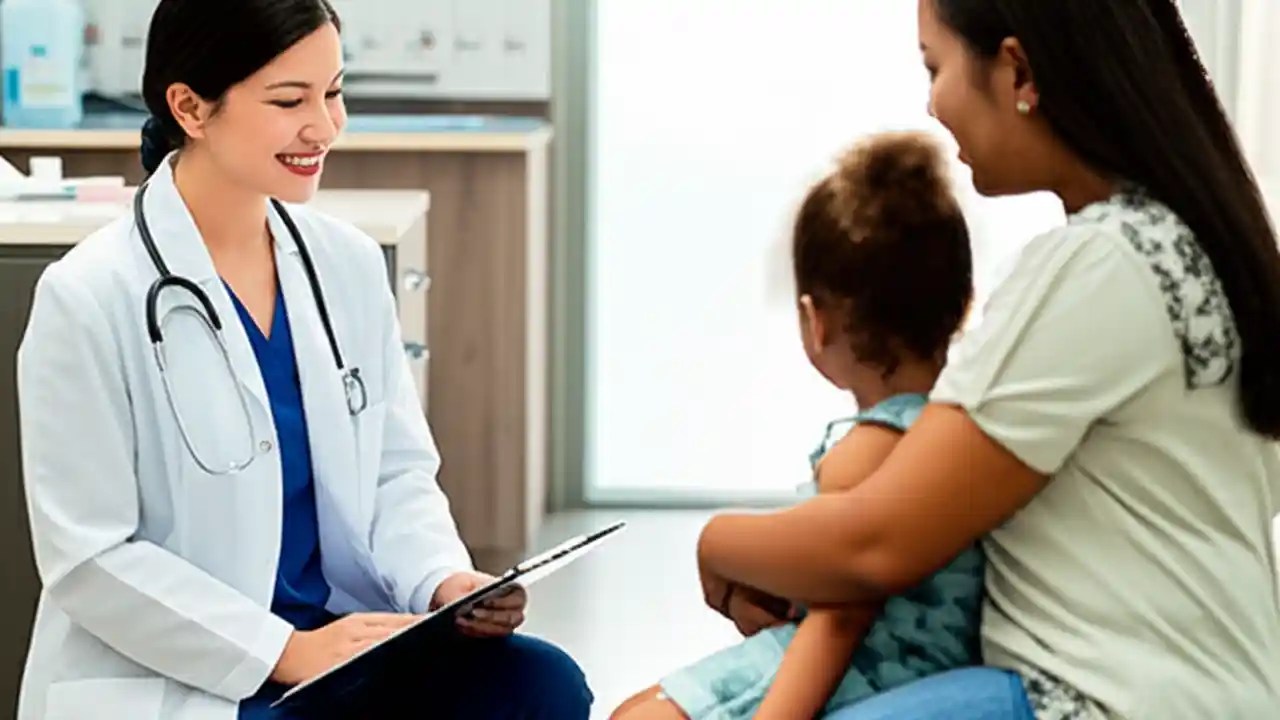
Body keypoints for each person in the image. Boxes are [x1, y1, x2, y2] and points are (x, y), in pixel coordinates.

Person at [692, 1, 1280, 718]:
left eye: (934, 67)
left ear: (1017, 71)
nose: (932, 104)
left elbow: (876, 543)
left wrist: (717, 544)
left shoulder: (1096, 266)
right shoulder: (1192, 245)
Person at [14, 1, 590, 719]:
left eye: (334, 92)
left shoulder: (342, 265)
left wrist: (444, 584)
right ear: (190, 108)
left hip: (340, 648)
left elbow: (395, 473)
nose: (324, 125)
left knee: (540, 685)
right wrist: (284, 651)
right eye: (289, 100)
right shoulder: (89, 295)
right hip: (193, 674)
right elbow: (89, 559)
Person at [612, 132, 983, 720]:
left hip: (871, 674)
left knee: (639, 717)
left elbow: (840, 616)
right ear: (963, 302)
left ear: (817, 324)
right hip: (933, 671)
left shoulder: (868, 452)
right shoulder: (962, 435)